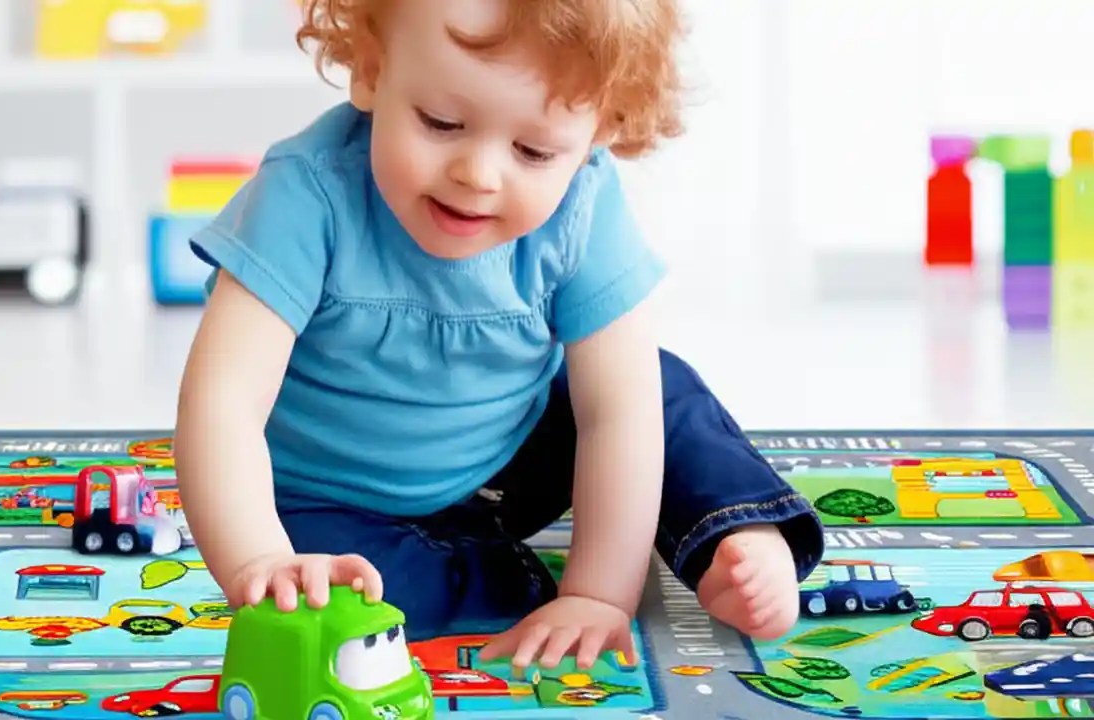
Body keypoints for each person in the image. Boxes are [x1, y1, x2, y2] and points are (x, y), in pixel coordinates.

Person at [175, 0, 824, 672]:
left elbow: (617, 414)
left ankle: (738, 525)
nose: (478, 174)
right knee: (339, 597)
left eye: (534, 151)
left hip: (508, 464)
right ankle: (490, 577)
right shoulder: (305, 195)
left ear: (597, 134)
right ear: (371, 71)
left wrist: (600, 595)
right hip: (332, 497)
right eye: (442, 123)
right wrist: (261, 560)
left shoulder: (584, 205)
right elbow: (222, 402)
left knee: (656, 387)